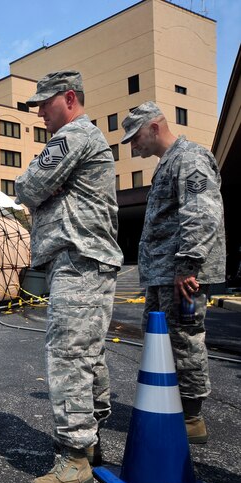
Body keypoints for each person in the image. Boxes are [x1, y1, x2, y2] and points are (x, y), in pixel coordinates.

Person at [15, 70, 123, 483]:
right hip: (84, 261)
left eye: (45, 103)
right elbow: (40, 188)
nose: (40, 112)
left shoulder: (74, 135)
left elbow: (29, 185)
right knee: (87, 353)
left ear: (70, 99)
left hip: (81, 261)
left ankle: (75, 455)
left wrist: (43, 187)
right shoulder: (81, 138)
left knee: (69, 355)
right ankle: (89, 441)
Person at [121, 101, 226, 444]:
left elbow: (201, 212)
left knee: (184, 339)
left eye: (135, 137)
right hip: (164, 275)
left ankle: (192, 417)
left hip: (182, 276)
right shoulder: (168, 164)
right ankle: (171, 407)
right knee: (163, 341)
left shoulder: (189, 159)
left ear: (154, 127)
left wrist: (187, 264)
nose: (133, 145)